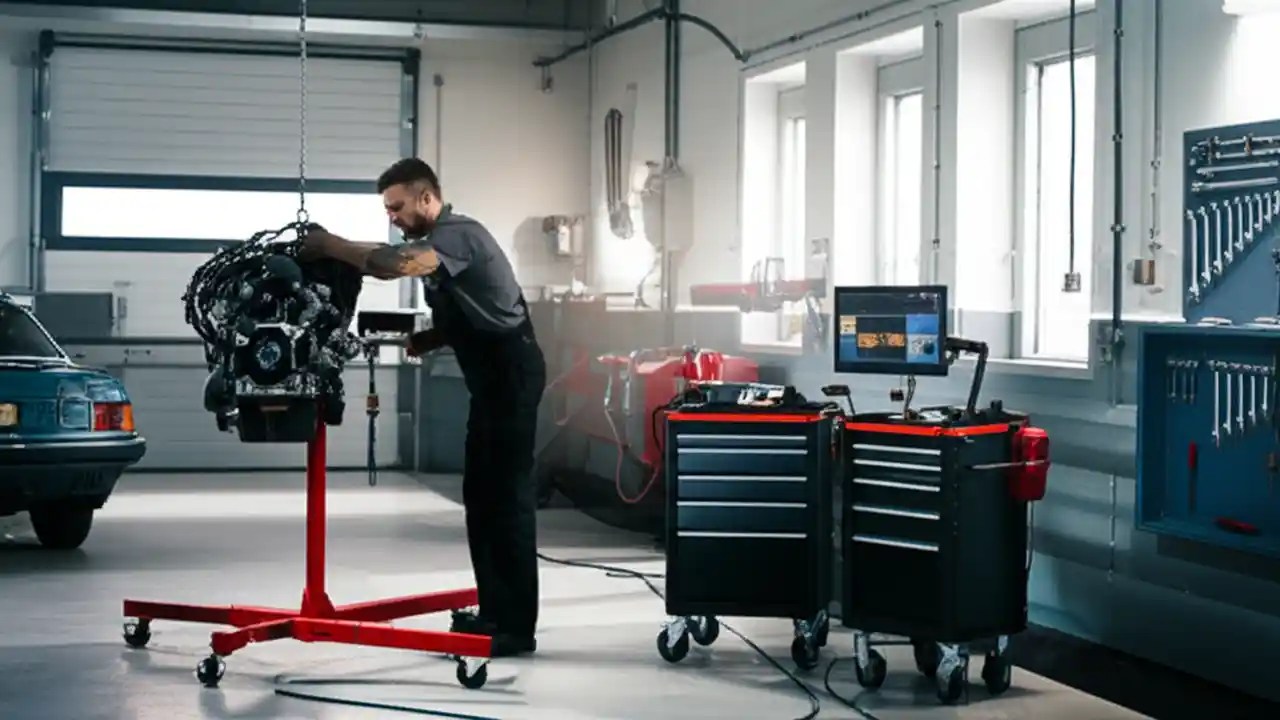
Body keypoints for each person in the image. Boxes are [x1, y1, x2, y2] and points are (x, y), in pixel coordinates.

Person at [299, 157, 546, 658]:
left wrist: (329, 246)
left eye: (397, 206)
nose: (391, 216)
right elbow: (478, 306)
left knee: (505, 499)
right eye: (386, 209)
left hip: (511, 374)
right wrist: (432, 336)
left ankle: (515, 627)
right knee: (482, 495)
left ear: (426, 198)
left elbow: (393, 265)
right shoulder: (444, 242)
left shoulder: (457, 234)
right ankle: (496, 612)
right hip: (494, 378)